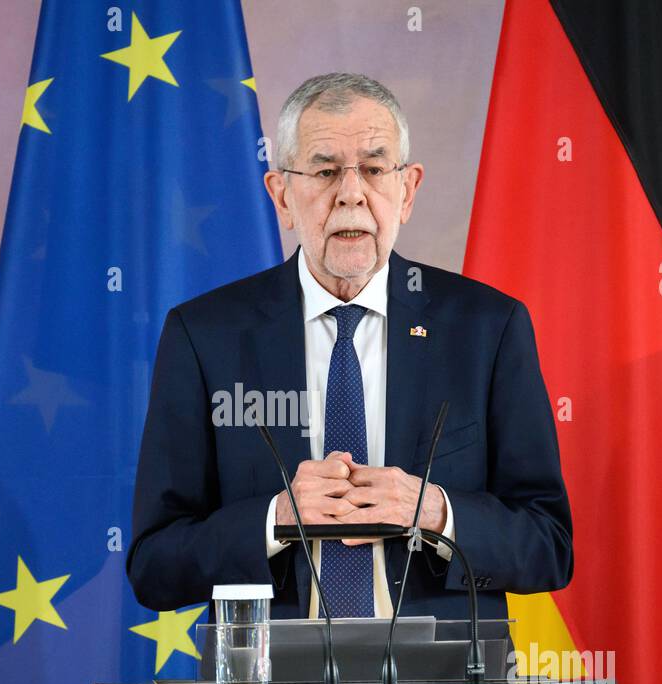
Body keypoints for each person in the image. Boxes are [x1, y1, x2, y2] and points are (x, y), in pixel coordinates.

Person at [127, 73, 571, 621]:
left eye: (375, 168)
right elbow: (154, 566)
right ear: (282, 196)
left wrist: (435, 513)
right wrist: (273, 520)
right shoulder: (205, 336)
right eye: (324, 170)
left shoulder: (487, 328)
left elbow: (549, 546)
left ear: (407, 191)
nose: (352, 193)